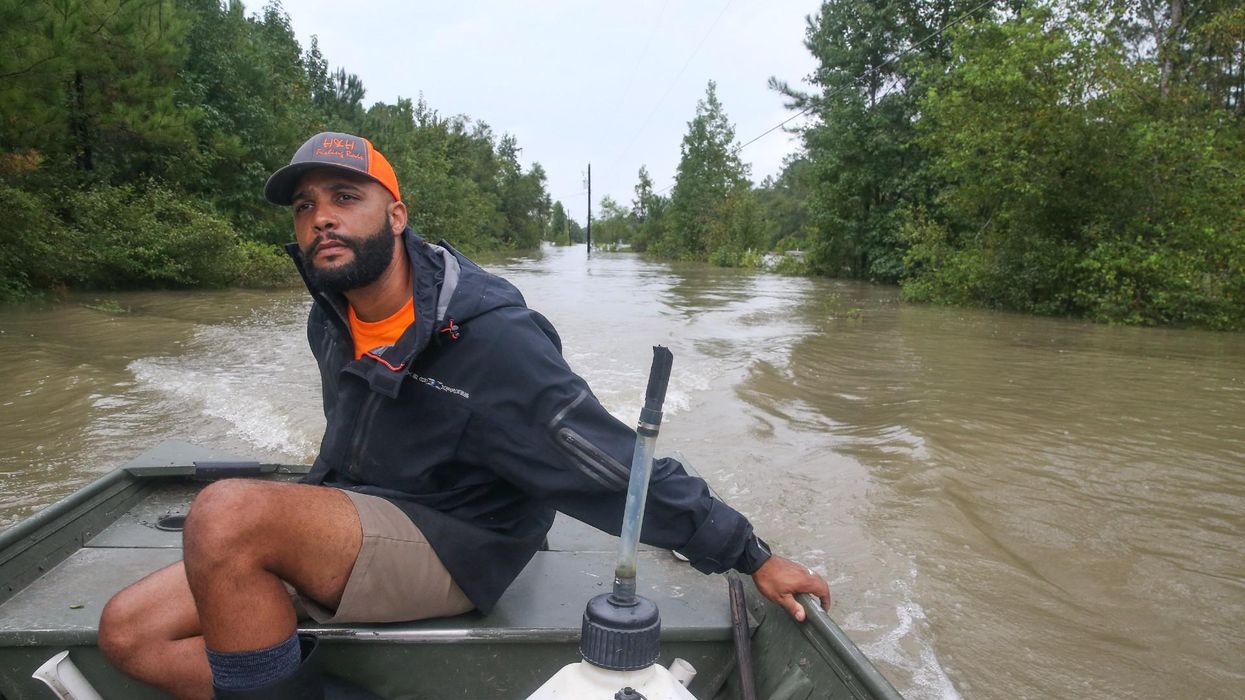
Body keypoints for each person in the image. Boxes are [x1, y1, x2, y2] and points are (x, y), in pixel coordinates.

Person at [97, 132, 831, 699]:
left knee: (228, 516)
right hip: (362, 511)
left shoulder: (491, 341)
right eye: (303, 205)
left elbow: (607, 462)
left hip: (459, 541)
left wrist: (750, 554)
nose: (320, 217)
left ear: (396, 213)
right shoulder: (331, 317)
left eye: (344, 196)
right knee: (129, 634)